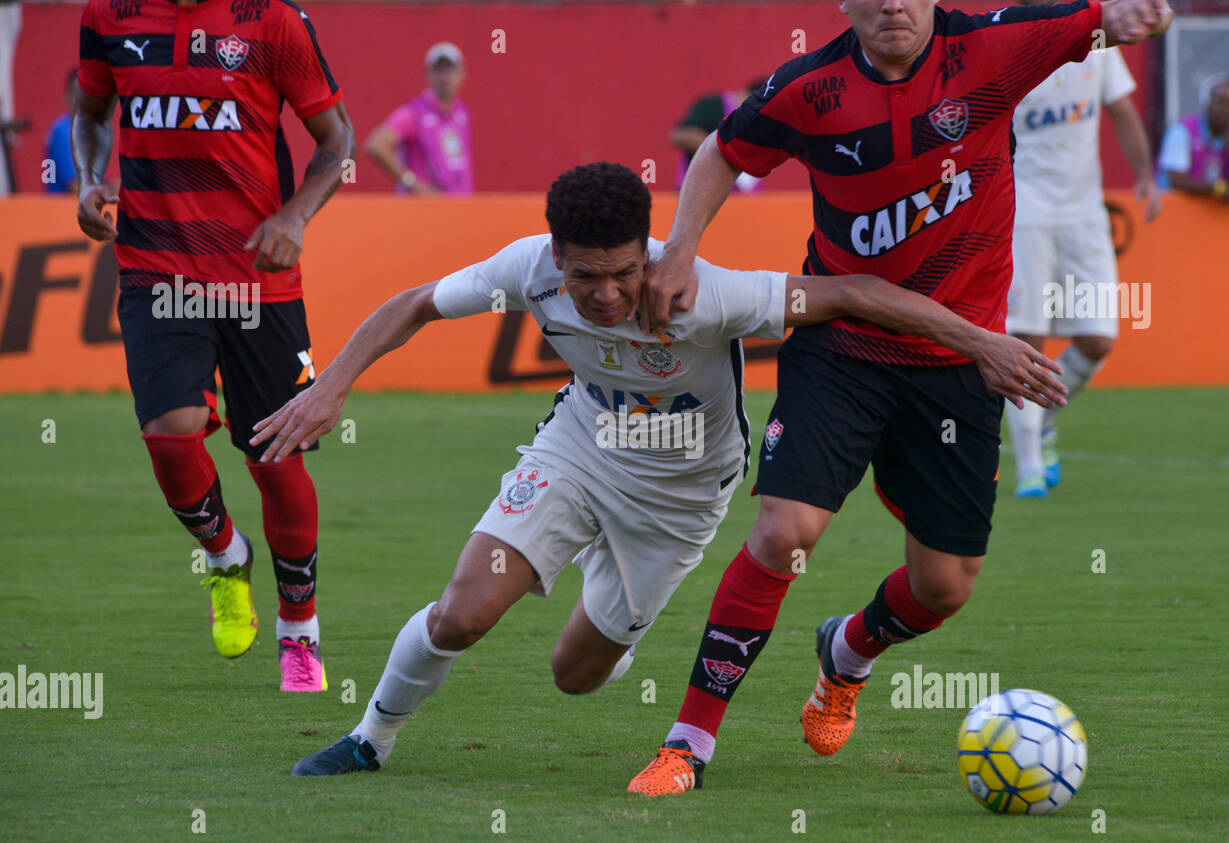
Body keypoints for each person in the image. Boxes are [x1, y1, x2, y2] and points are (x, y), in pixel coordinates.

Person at [251, 162, 1059, 777]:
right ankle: (370, 739)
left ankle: (616, 630)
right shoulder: (527, 267)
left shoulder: (707, 294)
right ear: (557, 257)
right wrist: (330, 387)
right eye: (584, 276)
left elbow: (848, 291)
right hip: (579, 451)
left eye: (623, 272)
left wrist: (979, 340)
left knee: (576, 676)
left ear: (651, 252)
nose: (604, 294)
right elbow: (417, 302)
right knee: (462, 613)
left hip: (677, 500)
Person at [629, 0, 1172, 796]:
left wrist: (1136, 15)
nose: (893, 4)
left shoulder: (995, 49)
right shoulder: (808, 88)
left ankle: (846, 654)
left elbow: (1101, 18)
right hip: (843, 343)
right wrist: (679, 251)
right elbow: (720, 150)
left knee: (944, 585)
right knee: (785, 532)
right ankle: (687, 742)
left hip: (959, 361)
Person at [73, 0, 356, 691]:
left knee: (277, 463)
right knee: (170, 434)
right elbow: (89, 111)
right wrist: (87, 178)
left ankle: (299, 630)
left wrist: (295, 215)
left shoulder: (274, 20)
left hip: (260, 277)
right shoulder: (109, 15)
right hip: (155, 266)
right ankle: (226, 556)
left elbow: (337, 138)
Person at [1004, 0, 1161, 498]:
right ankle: (1028, 462)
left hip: (1084, 214)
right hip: (1026, 209)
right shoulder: (1012, 43)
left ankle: (1043, 421)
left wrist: (1145, 177)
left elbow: (1121, 110)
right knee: (1026, 337)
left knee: (1099, 338)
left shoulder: (1098, 40)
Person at [365, 42, 472, 195]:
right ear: (428, 74)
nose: (445, 76)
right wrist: (411, 182)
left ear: (462, 74)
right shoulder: (413, 114)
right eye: (439, 70)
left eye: (451, 70)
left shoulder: (461, 113)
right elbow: (375, 145)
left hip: (458, 207)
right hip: (424, 211)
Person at [1156, 75, 1229, 204]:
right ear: (1207, 103)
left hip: (1216, 218)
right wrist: (1219, 189)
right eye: (1221, 102)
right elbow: (1175, 179)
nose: (1227, 110)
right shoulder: (1181, 130)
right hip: (1175, 212)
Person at [671, 82, 765, 192]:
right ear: (746, 96)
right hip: (699, 196)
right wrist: (725, 151)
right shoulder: (715, 106)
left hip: (743, 202)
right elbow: (679, 135)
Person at [44, 68, 79, 194]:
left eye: (85, 92)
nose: (80, 98)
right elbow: (75, 187)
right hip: (63, 210)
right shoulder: (64, 131)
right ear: (66, 96)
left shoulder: (89, 132)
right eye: (76, 92)